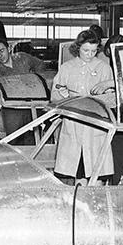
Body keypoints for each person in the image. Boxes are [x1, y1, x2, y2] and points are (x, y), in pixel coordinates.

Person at [51, 29, 115, 183]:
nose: (90, 54)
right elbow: (54, 95)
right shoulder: (67, 68)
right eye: (86, 50)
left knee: (97, 171)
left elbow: (113, 99)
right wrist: (64, 95)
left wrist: (103, 94)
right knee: (75, 169)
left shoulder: (104, 68)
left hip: (96, 126)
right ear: (77, 48)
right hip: (73, 124)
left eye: (94, 51)